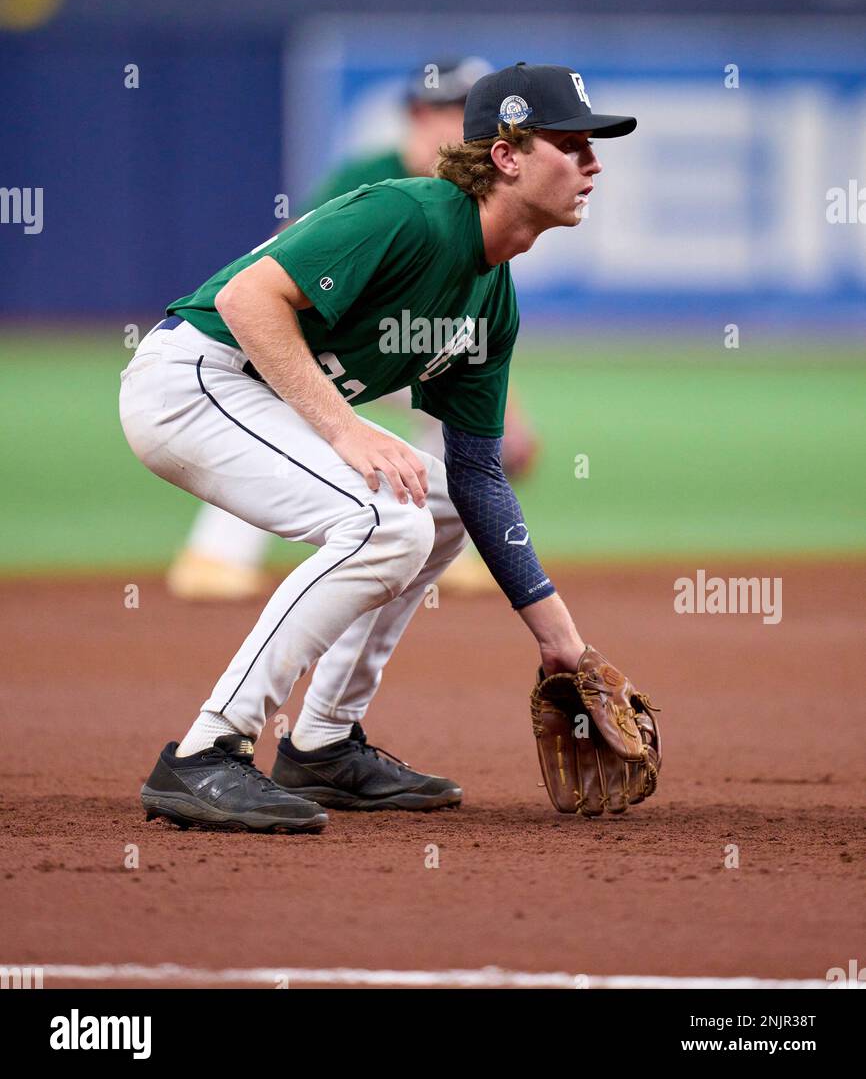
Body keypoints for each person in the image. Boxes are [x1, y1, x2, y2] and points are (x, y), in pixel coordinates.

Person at [119, 62, 636, 832]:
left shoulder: (490, 296)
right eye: (573, 144)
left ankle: (323, 740)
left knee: (437, 504)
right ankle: (207, 754)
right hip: (191, 379)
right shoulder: (410, 214)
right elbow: (245, 298)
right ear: (506, 155)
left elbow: (476, 477)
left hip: (255, 395)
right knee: (381, 522)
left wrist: (562, 642)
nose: (593, 164)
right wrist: (345, 427)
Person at [166, 56, 538, 600]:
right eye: (448, 109)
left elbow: (463, 327)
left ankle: (438, 537)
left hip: (397, 346)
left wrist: (507, 409)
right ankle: (214, 554)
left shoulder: (475, 195)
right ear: (417, 113)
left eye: (468, 111)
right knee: (280, 414)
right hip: (320, 341)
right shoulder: (370, 178)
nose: (460, 123)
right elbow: (280, 255)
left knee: (458, 421)